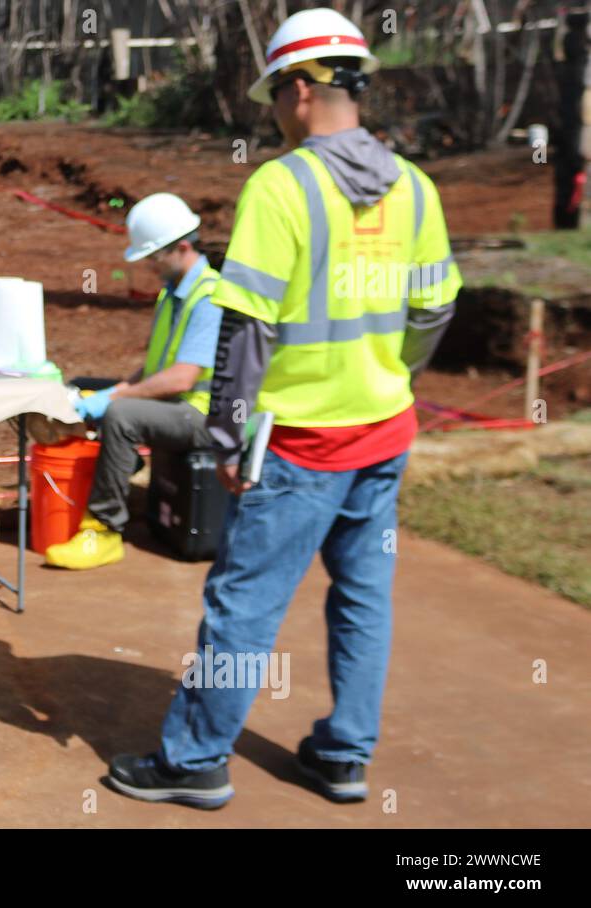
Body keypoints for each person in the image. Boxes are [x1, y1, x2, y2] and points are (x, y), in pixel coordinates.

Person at [107, 8, 461, 808]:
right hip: (384, 433)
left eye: (274, 93)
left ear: (301, 90)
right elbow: (436, 310)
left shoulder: (282, 185)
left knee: (244, 604)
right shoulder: (415, 187)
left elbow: (248, 329)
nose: (271, 108)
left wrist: (227, 437)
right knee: (364, 597)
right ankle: (344, 755)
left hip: (301, 443)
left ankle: (196, 760)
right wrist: (389, 372)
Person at [45, 194, 223, 570]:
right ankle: (98, 479)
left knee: (122, 415)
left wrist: (116, 399)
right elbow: (155, 366)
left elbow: (182, 378)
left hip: (203, 414)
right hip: (176, 406)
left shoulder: (209, 297)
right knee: (83, 385)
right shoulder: (173, 292)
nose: (150, 267)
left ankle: (104, 528)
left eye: (154, 257)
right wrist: (112, 389)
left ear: (183, 248)